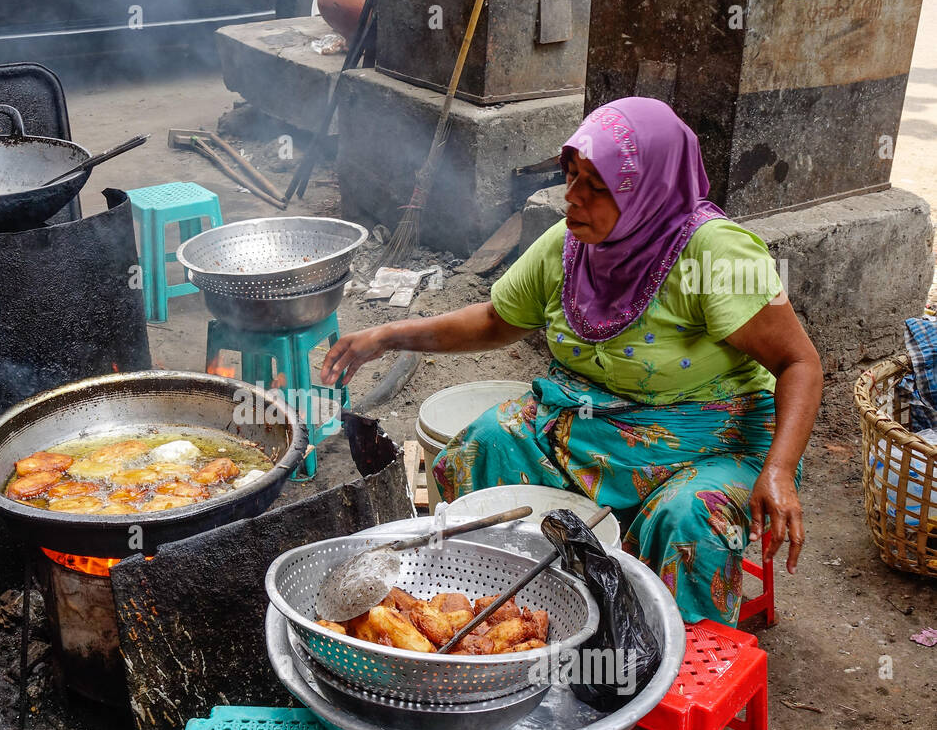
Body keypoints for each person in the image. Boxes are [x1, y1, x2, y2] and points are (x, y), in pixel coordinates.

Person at [321, 97, 822, 627]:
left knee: (688, 518)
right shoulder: (572, 244)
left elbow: (800, 363)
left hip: (712, 438)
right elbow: (496, 320)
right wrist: (388, 335)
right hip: (591, 423)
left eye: (597, 186)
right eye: (572, 175)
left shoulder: (715, 255)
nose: (572, 198)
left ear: (648, 190)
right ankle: (508, 617)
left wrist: (781, 469)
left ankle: (660, 664)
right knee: (488, 444)